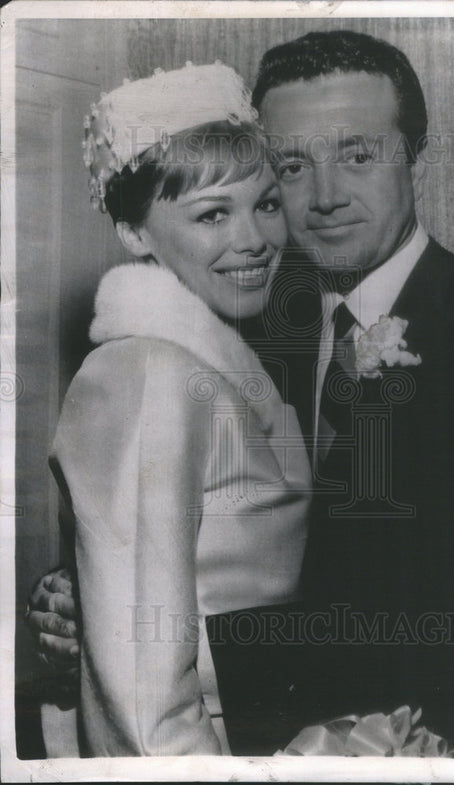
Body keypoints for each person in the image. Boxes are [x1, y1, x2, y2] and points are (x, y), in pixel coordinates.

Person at [29, 30, 454, 757]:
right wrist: (97, 604)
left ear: (418, 157)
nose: (327, 198)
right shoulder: (236, 335)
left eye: (358, 155)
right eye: (294, 167)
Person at [36, 61, 313, 757]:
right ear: (135, 232)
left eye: (266, 204)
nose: (254, 240)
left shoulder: (217, 364)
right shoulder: (148, 372)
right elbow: (140, 699)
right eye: (213, 214)